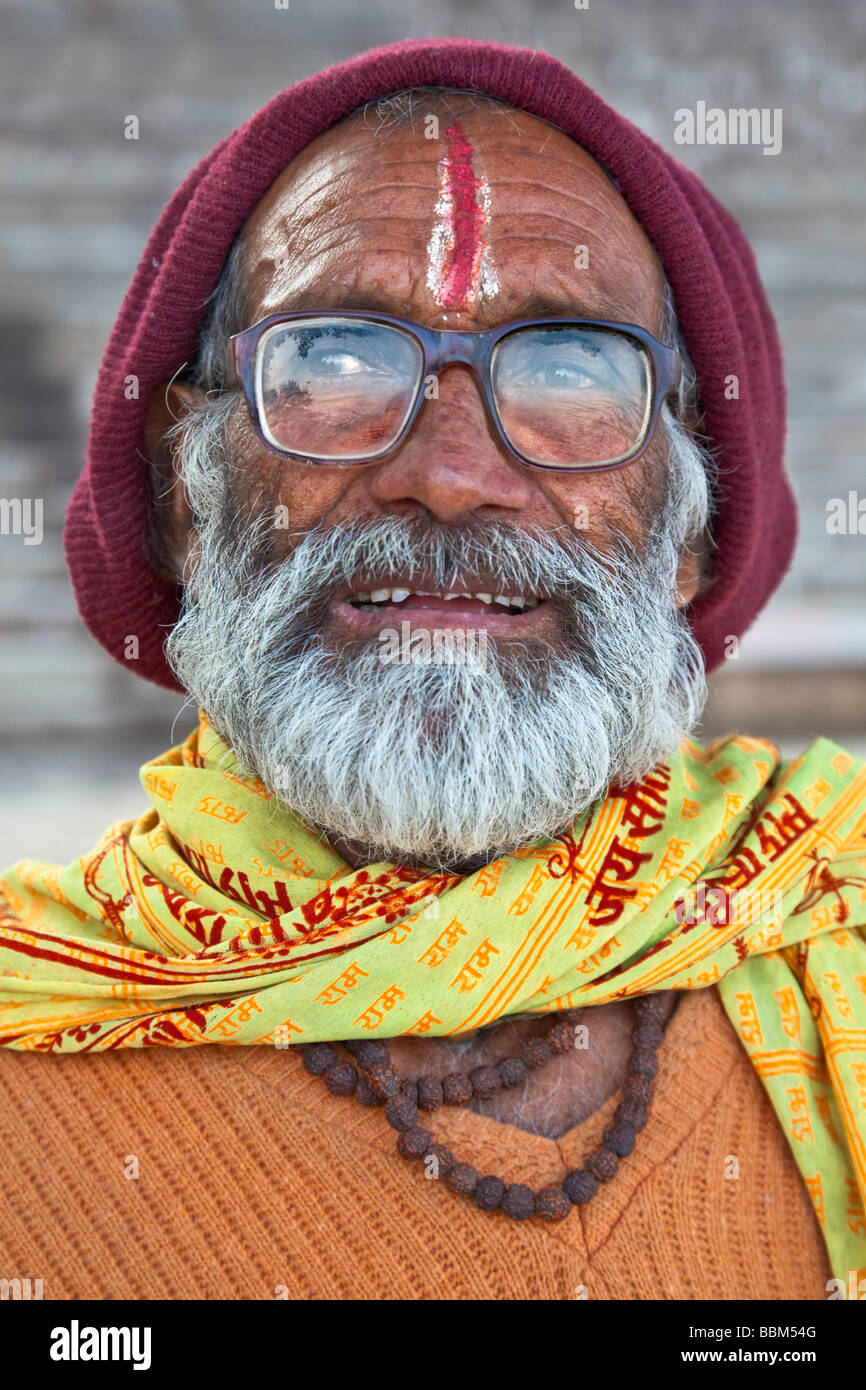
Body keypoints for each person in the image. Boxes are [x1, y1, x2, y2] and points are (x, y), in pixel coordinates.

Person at [1, 38, 864, 1301]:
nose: (451, 472)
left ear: (686, 528)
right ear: (189, 497)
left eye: (571, 367)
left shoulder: (826, 913)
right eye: (334, 360)